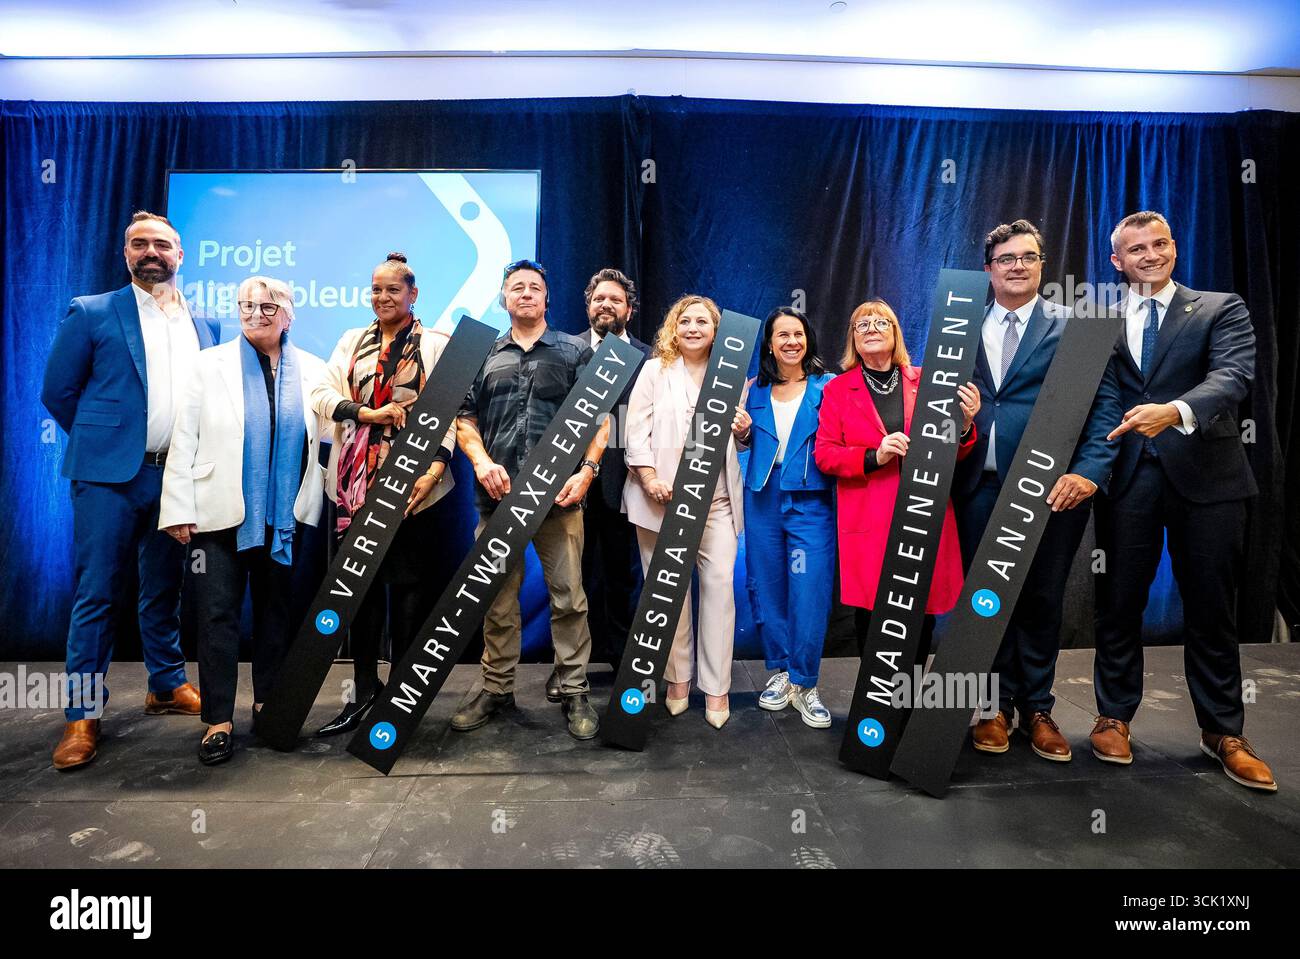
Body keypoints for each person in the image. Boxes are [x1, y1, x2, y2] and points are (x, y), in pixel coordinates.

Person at [1091, 211, 1276, 792]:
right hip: (1126, 480)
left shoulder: (1221, 308)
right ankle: (1113, 716)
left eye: (1160, 243)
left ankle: (1223, 732)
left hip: (1209, 478)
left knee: (1211, 608)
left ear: (1174, 248)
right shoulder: (1095, 319)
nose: (1151, 254)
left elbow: (1234, 377)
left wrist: (1174, 412)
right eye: (1136, 248)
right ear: (1116, 261)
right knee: (1118, 603)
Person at [40, 211, 216, 771]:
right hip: (108, 478)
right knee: (98, 592)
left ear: (179, 255)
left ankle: (164, 684)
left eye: (161, 244)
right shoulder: (91, 311)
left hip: (177, 477)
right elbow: (57, 392)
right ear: (125, 253)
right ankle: (82, 715)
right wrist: (106, 442)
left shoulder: (204, 324)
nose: (150, 252)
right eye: (139, 244)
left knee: (164, 586)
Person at [955, 220, 1122, 763]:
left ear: (1042, 266)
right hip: (976, 484)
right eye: (1006, 258)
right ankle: (993, 706)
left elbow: (1103, 408)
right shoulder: (960, 328)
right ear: (989, 269)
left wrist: (1091, 471)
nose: (1017, 265)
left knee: (1043, 596)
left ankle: (1038, 707)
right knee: (986, 599)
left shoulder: (1077, 327)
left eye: (1028, 256)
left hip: (1052, 490)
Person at [159, 277, 328, 765]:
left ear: (289, 313)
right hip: (217, 514)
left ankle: (268, 704)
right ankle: (218, 719)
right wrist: (177, 508)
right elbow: (184, 438)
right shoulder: (207, 364)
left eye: (268, 305)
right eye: (246, 305)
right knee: (216, 617)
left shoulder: (314, 370)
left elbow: (325, 442)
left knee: (277, 614)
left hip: (285, 520)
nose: (256, 313)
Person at [453, 259, 610, 740]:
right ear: (504, 298)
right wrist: (480, 462)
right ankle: (497, 688)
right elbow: (463, 419)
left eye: (535, 287)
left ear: (547, 299)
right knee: (498, 599)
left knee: (568, 598)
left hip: (559, 499)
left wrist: (587, 471)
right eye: (516, 287)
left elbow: (598, 419)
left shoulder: (573, 351)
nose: (525, 293)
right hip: (496, 499)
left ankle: (574, 688)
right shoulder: (481, 353)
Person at [310, 253, 458, 736]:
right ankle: (364, 689)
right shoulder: (352, 342)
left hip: (416, 487)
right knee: (362, 590)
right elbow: (321, 395)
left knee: (411, 588)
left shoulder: (436, 343)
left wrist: (435, 468)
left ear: (413, 294)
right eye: (376, 289)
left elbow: (451, 409)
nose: (383, 298)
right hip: (355, 487)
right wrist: (366, 413)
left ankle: (400, 694)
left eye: (393, 290)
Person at [814, 300, 979, 660]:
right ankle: (876, 708)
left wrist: (965, 425)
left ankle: (908, 705)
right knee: (873, 614)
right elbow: (825, 455)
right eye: (862, 325)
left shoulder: (930, 381)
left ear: (896, 333)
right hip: (869, 518)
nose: (872, 328)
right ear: (853, 339)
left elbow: (955, 451)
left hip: (922, 513)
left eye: (881, 322)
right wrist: (876, 455)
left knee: (919, 610)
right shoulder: (838, 390)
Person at [623, 295, 750, 729]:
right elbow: (634, 429)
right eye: (685, 321)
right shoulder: (654, 370)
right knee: (668, 597)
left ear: (716, 330)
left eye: (702, 321)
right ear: (673, 329)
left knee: (719, 592)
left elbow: (744, 442)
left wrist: (745, 431)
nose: (693, 328)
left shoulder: (734, 377)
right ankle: (677, 680)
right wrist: (649, 477)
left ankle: (717, 688)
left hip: (716, 504)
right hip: (660, 501)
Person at [738, 307, 837, 728]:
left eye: (798, 334)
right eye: (782, 335)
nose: (791, 341)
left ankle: (806, 681)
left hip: (811, 499)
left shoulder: (828, 386)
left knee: (809, 590)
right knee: (767, 586)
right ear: (770, 343)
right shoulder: (752, 389)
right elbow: (741, 445)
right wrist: (740, 432)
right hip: (762, 496)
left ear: (808, 340)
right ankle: (779, 672)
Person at [570, 268, 651, 695]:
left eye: (615, 300)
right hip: (570, 485)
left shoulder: (650, 357)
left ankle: (623, 662)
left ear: (629, 310)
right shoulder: (566, 349)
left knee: (623, 577)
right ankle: (570, 670)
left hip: (626, 483)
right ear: (589, 306)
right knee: (572, 580)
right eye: (599, 298)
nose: (607, 305)